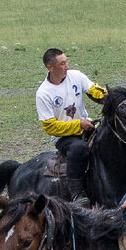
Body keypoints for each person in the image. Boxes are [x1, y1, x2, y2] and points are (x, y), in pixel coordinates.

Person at [36, 48, 107, 203]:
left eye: (66, 61)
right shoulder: (43, 93)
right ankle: (77, 194)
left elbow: (94, 90)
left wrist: (109, 96)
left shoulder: (76, 76)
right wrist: (78, 125)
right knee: (79, 149)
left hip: (87, 127)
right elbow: (50, 127)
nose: (67, 66)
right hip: (64, 138)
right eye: (62, 64)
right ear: (50, 67)